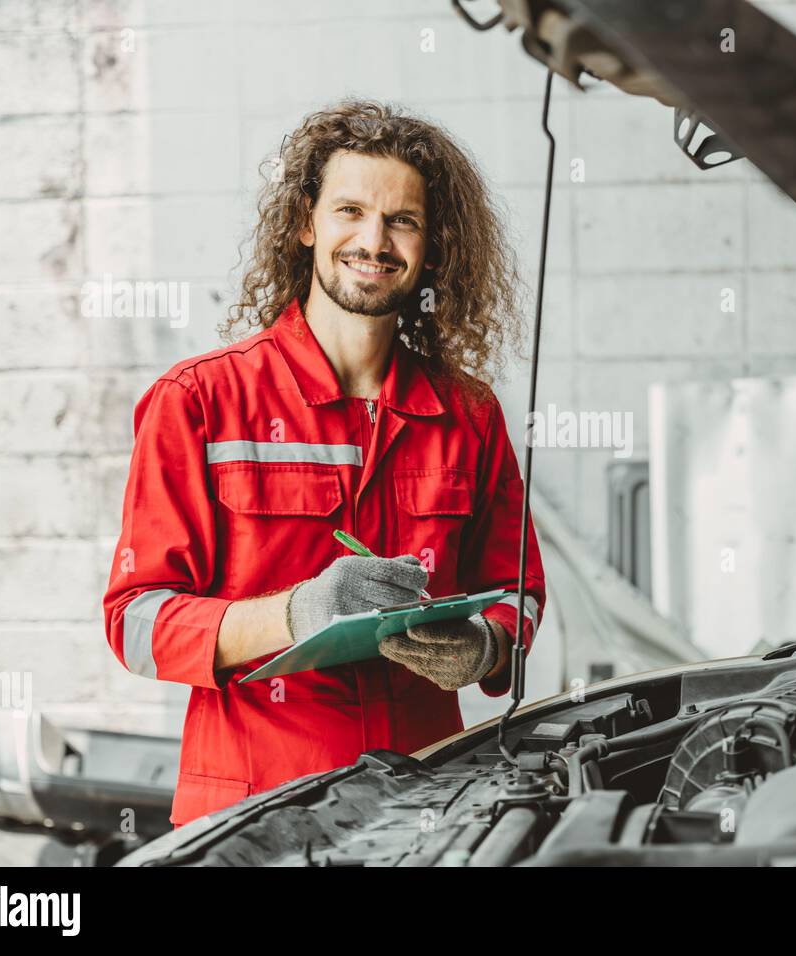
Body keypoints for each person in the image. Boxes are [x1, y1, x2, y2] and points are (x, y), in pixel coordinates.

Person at [102, 100, 546, 827]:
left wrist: (486, 647)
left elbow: (516, 589)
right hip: (253, 817)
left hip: (426, 808)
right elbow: (135, 624)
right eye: (350, 211)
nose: (374, 240)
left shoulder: (468, 414)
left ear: (432, 246)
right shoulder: (201, 401)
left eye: (402, 219)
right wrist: (297, 612)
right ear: (307, 223)